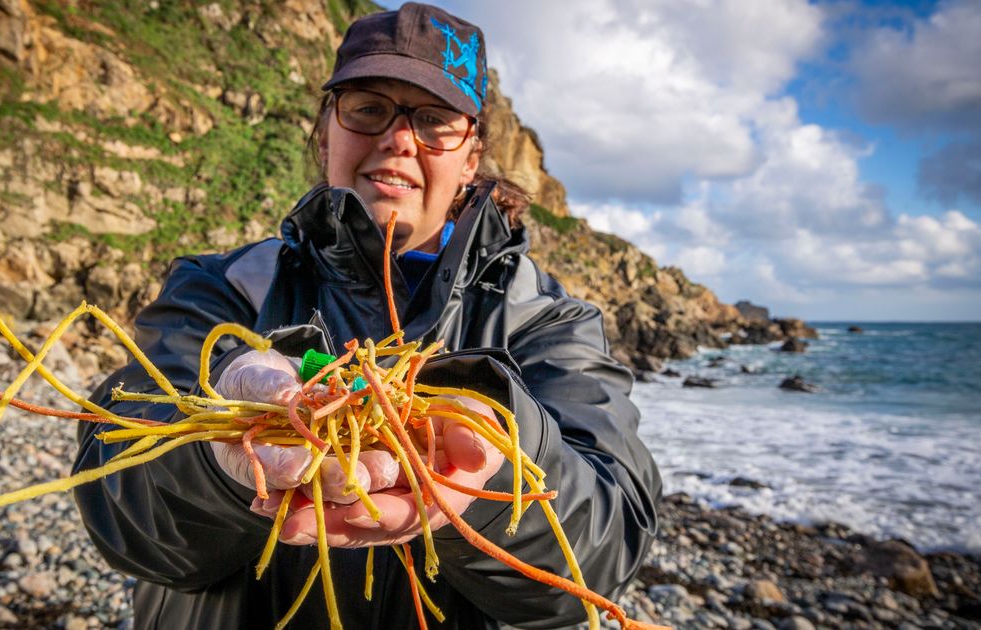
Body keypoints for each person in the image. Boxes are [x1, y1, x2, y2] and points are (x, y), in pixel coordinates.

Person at [73, 3, 662, 628]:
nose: (400, 138)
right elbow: (119, 503)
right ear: (327, 130)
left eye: (435, 120)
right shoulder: (220, 289)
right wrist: (215, 459)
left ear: (472, 154)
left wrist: (493, 486)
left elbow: (606, 553)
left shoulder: (545, 321)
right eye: (368, 108)